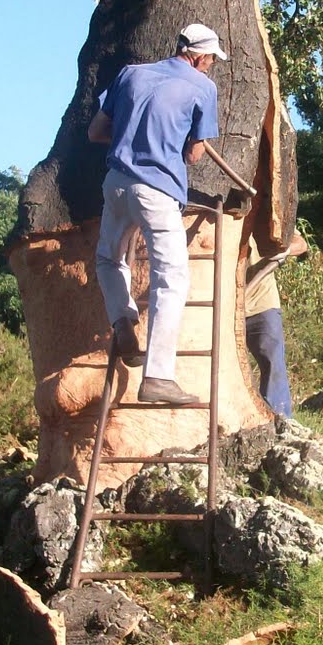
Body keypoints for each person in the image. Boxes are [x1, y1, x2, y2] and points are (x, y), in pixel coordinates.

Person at [88, 23, 228, 405]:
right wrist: (172, 141)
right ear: (199, 56)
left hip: (116, 181)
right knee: (172, 277)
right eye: (211, 59)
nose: (211, 66)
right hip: (158, 189)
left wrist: (133, 132)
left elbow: (97, 132)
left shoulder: (130, 74)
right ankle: (159, 376)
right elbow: (195, 153)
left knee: (108, 258)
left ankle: (123, 320)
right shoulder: (203, 87)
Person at [243, 232, 308, 417]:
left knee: (273, 363)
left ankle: (280, 420)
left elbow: (301, 243)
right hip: (223, 308)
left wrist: (285, 250)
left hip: (262, 304)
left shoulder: (264, 215)